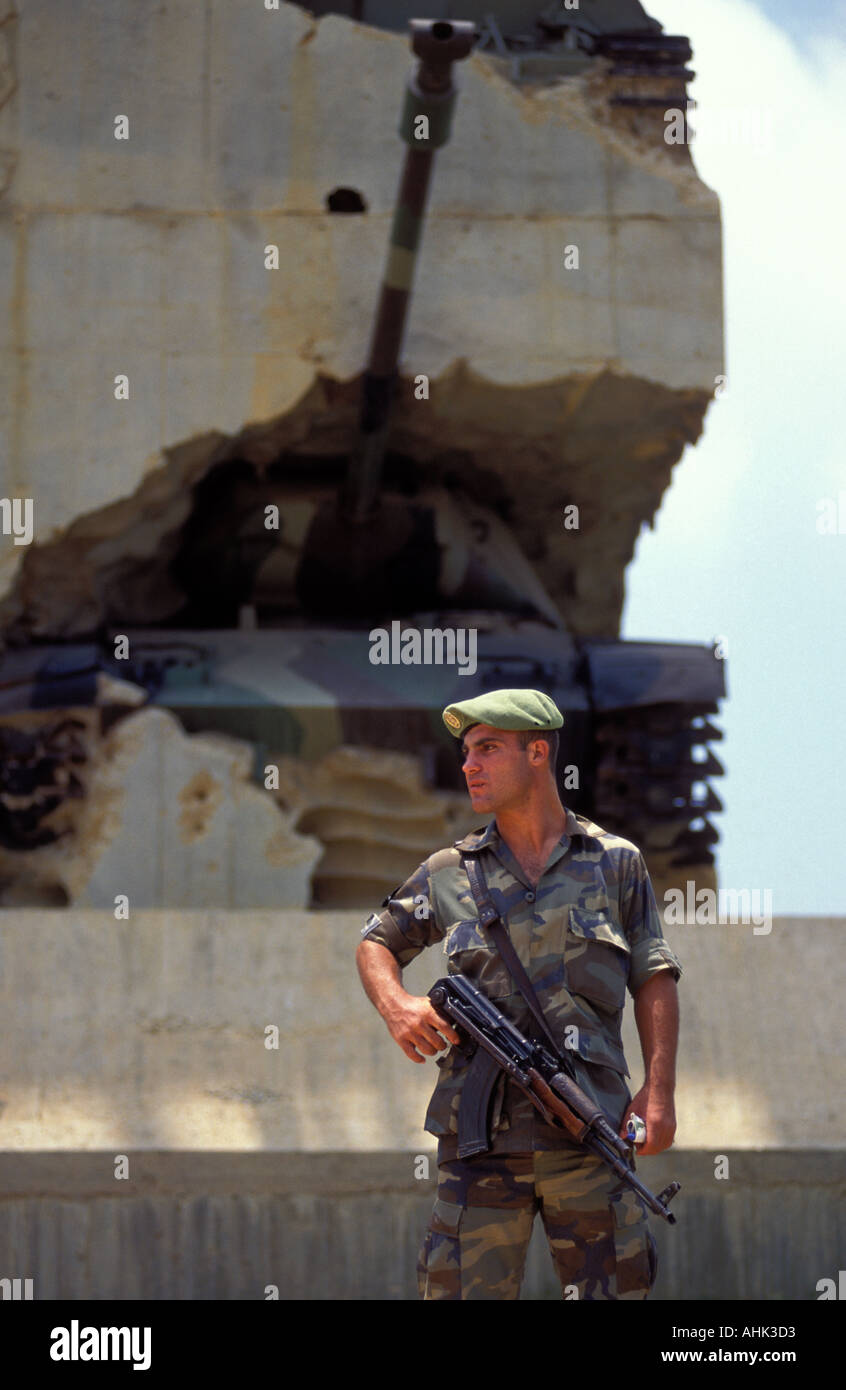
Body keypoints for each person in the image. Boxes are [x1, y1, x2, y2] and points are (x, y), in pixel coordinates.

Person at [356, 688, 681, 1300]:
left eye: (487, 749)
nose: (468, 765)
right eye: (466, 752)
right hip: (478, 1144)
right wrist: (397, 1006)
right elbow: (376, 943)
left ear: (537, 753)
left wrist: (658, 1092)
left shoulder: (615, 864)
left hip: (592, 1131)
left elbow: (653, 975)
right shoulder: (449, 871)